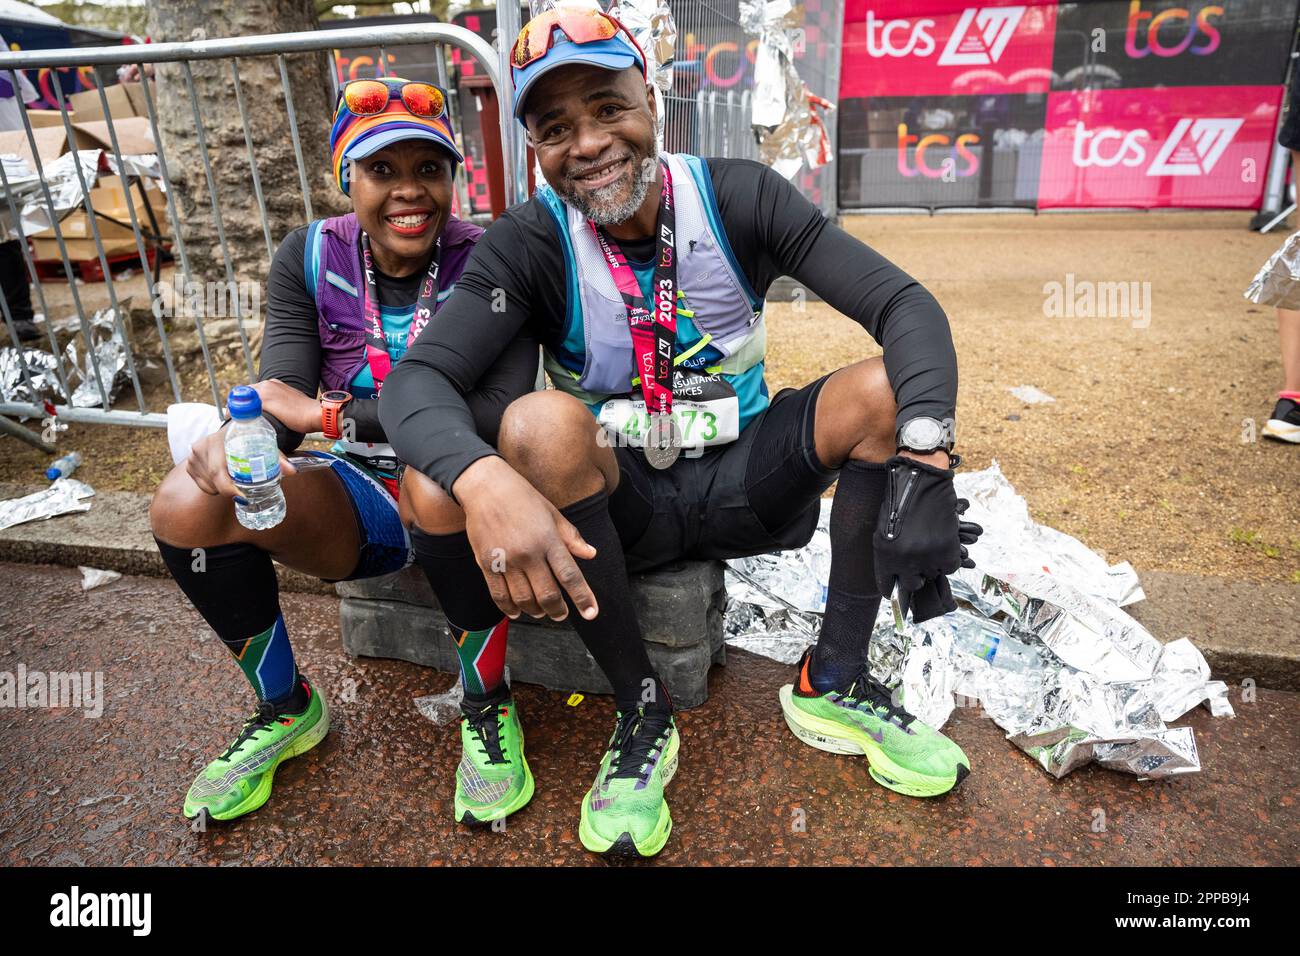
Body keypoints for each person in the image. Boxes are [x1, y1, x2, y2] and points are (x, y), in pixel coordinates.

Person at [382, 8, 981, 859]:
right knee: (540, 425)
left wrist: (928, 458)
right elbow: (419, 379)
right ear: (534, 151)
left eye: (607, 107)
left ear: (652, 102)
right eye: (556, 128)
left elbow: (904, 305)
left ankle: (835, 678)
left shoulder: (737, 194)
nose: (587, 143)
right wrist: (481, 481)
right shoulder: (529, 241)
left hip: (748, 480)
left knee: (886, 393)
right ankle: (640, 711)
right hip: (623, 505)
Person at [149, 77, 539, 824]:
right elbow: (281, 401)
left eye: (429, 168)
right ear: (345, 178)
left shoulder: (492, 259)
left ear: (453, 177)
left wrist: (325, 412)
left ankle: (487, 704)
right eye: (381, 170)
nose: (409, 192)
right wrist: (245, 438)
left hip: (468, 487)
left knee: (432, 472)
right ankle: (285, 707)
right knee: (183, 501)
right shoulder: (308, 254)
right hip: (357, 496)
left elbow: (488, 415)